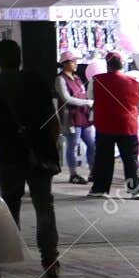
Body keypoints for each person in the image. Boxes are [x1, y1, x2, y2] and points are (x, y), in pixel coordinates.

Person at [0, 39, 62, 278]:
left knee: (9, 205)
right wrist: (49, 147)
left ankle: (5, 255)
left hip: (9, 154)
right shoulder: (35, 81)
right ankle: (50, 258)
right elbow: (52, 119)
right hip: (38, 154)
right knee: (44, 206)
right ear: (19, 57)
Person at [89, 53, 139, 200]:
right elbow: (136, 100)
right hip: (128, 124)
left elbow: (91, 98)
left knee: (104, 158)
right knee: (130, 159)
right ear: (122, 64)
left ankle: (100, 188)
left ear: (107, 64)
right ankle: (135, 190)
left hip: (105, 124)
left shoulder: (97, 80)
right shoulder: (134, 81)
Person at [56, 51, 94, 185]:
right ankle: (73, 174)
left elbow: (83, 94)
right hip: (72, 118)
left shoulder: (77, 78)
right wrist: (87, 103)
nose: (75, 64)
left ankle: (93, 171)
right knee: (72, 146)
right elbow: (66, 98)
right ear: (65, 63)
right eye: (73, 61)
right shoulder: (60, 79)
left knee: (92, 144)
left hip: (84, 116)